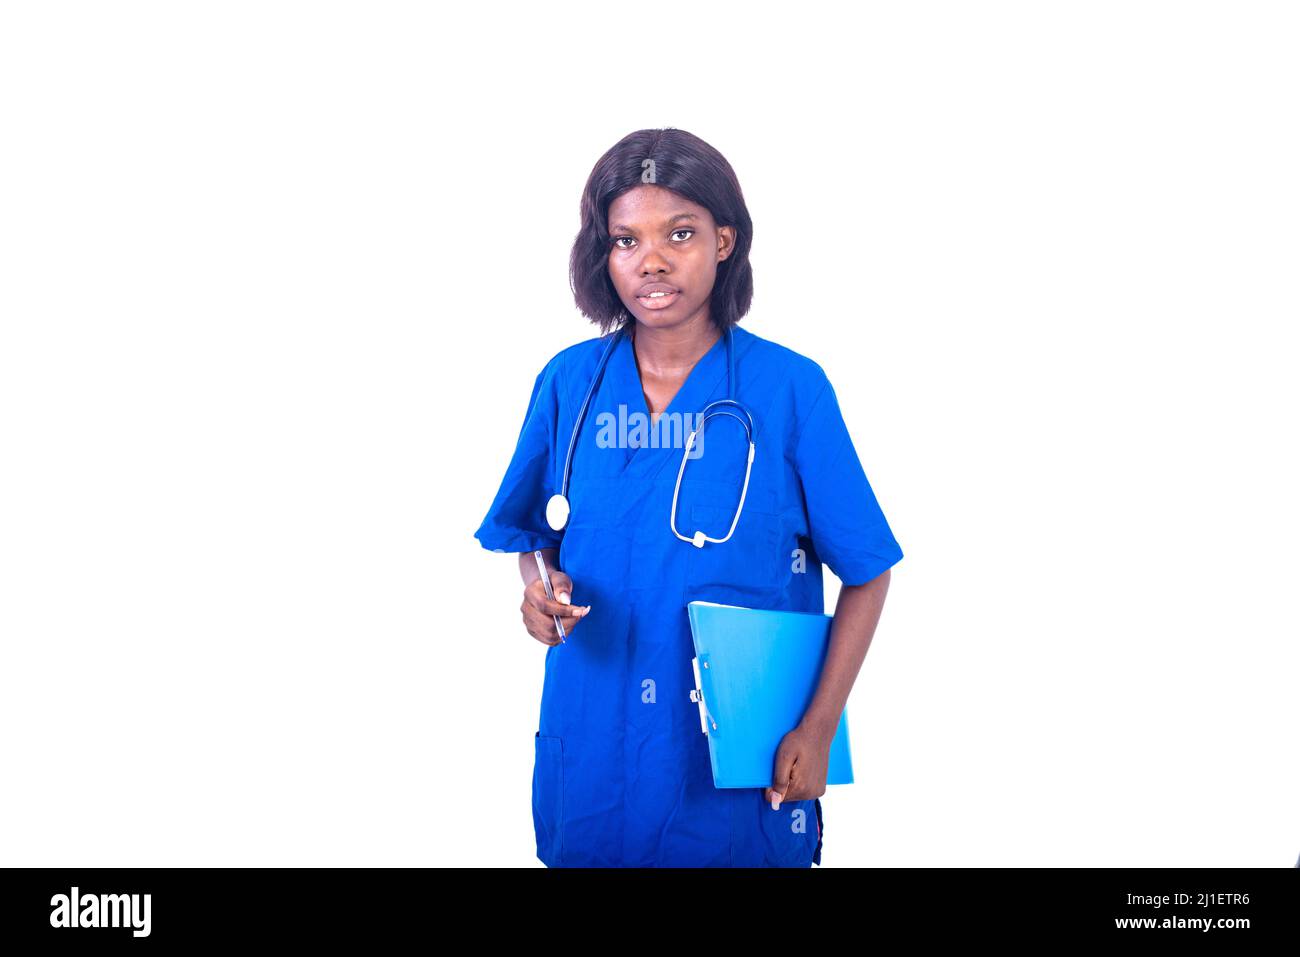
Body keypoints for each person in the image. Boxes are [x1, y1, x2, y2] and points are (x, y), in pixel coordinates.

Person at [474, 128, 903, 867]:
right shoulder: (568, 385)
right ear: (601, 254)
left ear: (725, 239)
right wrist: (540, 592)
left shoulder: (789, 390)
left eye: (680, 233)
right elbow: (534, 538)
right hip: (596, 739)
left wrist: (820, 723)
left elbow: (866, 568)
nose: (653, 261)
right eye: (625, 240)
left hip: (734, 752)